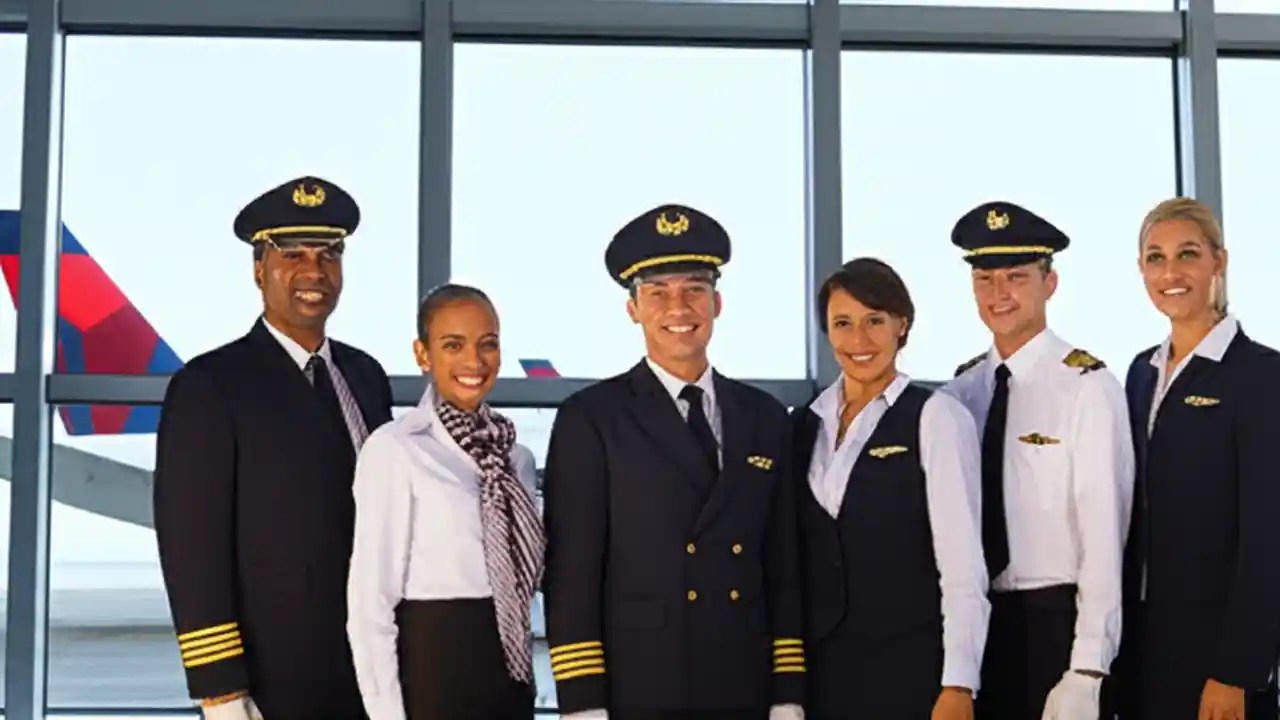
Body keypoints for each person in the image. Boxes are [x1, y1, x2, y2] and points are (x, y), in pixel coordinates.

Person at [541, 204, 805, 720]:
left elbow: (782, 565)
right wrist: (583, 703)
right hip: (641, 684)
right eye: (657, 293)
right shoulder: (592, 419)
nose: (677, 307)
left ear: (717, 301)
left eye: (693, 289)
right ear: (633, 309)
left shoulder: (766, 417)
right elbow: (572, 574)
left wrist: (787, 692)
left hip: (743, 681)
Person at [153, 176, 394, 720]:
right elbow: (193, 548)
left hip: (370, 674)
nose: (314, 271)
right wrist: (220, 689)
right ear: (258, 269)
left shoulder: (364, 376)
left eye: (329, 254)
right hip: (271, 680)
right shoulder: (212, 385)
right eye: (292, 254)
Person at [941, 201, 1134, 720]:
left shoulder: (1087, 388)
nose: (998, 294)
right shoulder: (960, 393)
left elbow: (1104, 537)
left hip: (1055, 623)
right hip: (978, 630)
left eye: (1016, 277)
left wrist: (1088, 669)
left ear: (1050, 283)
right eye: (985, 279)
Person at [792, 258, 990, 720]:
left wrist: (959, 683)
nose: (859, 340)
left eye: (874, 321)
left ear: (902, 324)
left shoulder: (936, 417)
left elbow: (962, 565)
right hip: (823, 678)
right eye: (843, 323)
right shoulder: (803, 426)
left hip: (912, 672)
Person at [1111, 197, 1280, 720]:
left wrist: (1238, 670)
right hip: (1142, 652)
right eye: (1155, 258)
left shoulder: (1261, 376)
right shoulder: (1140, 373)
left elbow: (1268, 537)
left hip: (1218, 660)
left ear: (1218, 262)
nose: (1171, 272)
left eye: (1187, 254)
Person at [346, 283, 543, 720]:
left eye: (487, 344)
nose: (474, 361)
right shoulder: (396, 449)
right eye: (453, 345)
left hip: (509, 677)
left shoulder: (516, 459)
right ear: (423, 354)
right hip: (433, 676)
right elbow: (369, 605)